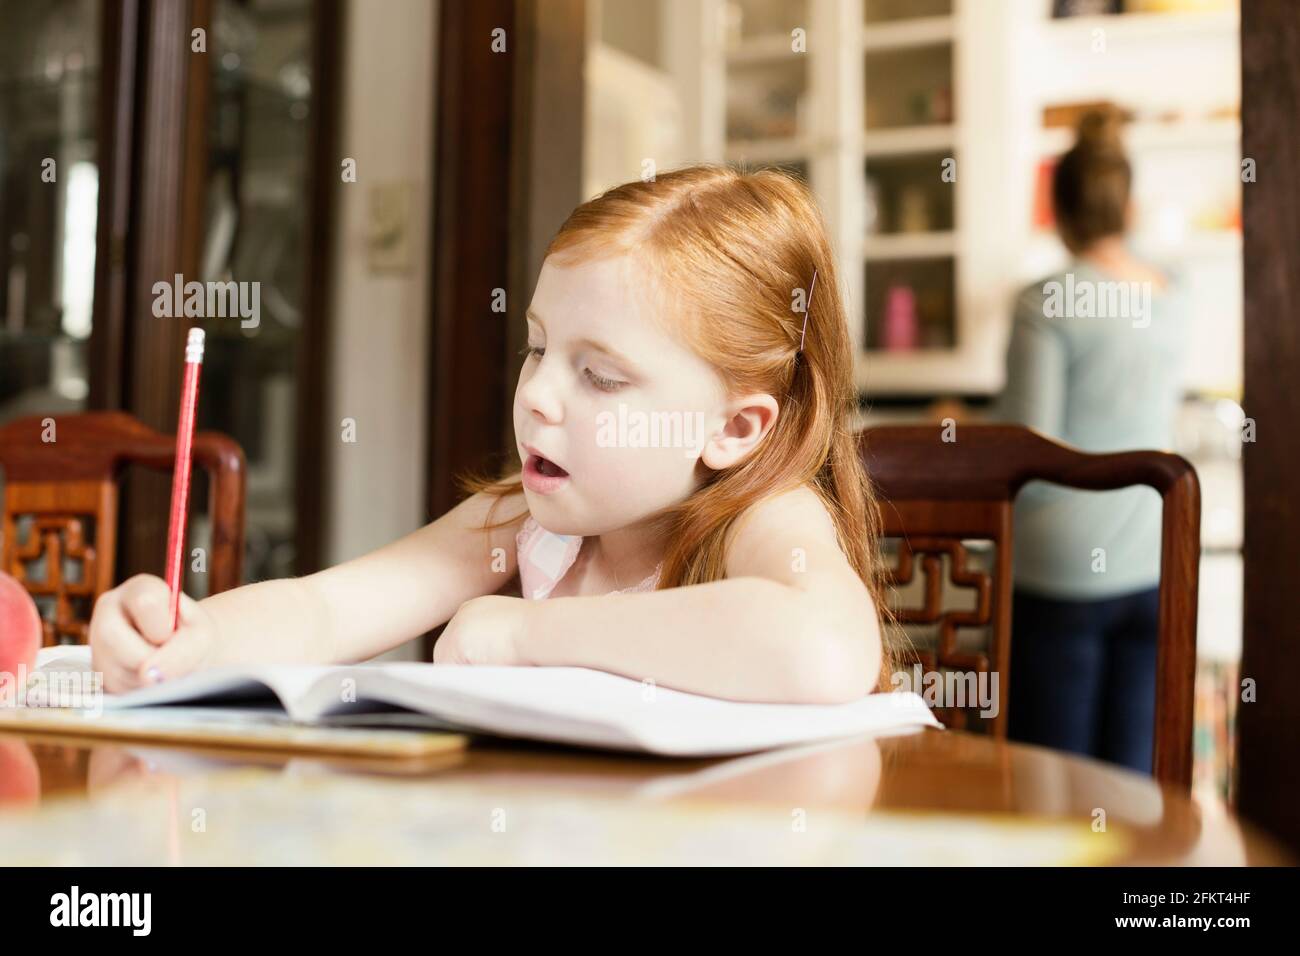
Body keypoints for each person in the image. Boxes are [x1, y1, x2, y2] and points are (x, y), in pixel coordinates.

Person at [90, 165, 895, 705]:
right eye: (538, 348)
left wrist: (524, 635)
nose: (537, 395)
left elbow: (822, 649)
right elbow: (329, 610)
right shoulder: (529, 525)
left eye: (601, 377)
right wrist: (195, 639)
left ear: (733, 428)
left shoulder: (769, 517)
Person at [997, 107, 1188, 774]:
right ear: (1127, 204)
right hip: (1152, 560)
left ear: (1059, 207)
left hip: (1063, 569)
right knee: (1132, 779)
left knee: (1053, 780)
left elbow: (1031, 442)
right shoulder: (1170, 293)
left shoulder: (1044, 302)